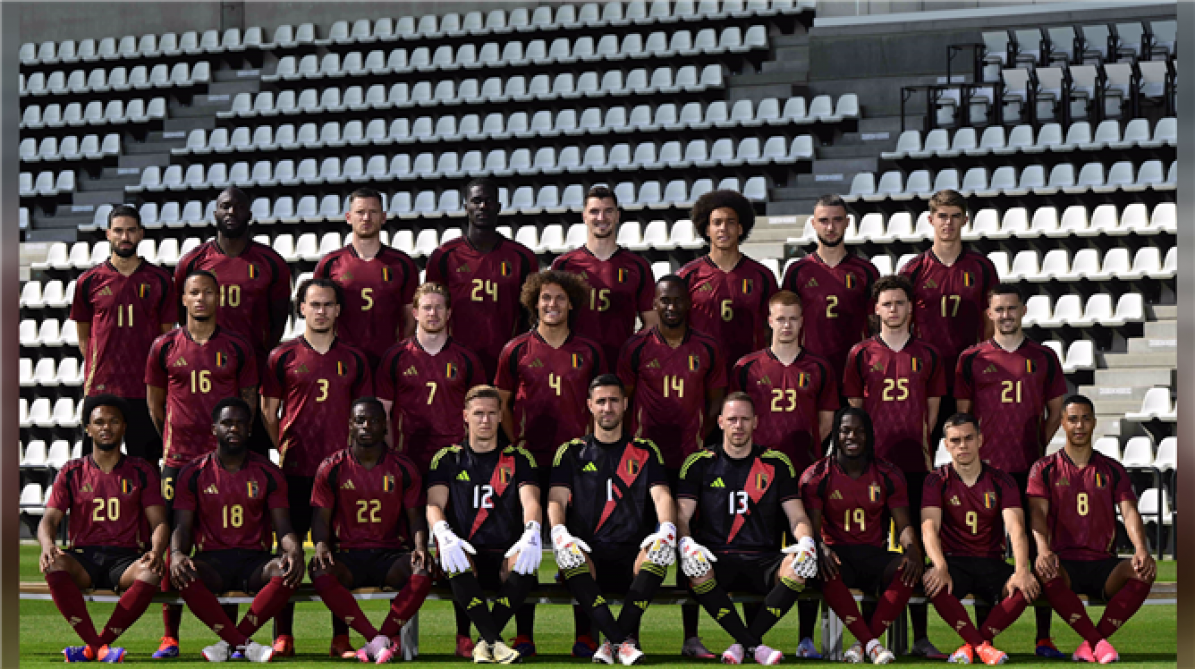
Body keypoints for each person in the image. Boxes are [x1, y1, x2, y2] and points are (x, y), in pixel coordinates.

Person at [145, 269, 257, 658]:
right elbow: (156, 406)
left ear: (218, 298)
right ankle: (169, 635)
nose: (201, 299)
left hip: (224, 463)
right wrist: (177, 438)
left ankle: (230, 636)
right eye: (194, 292)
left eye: (208, 292)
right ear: (185, 298)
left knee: (227, 544)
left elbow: (248, 403)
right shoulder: (163, 346)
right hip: (178, 461)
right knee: (174, 543)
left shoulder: (238, 347)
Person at [260, 277, 373, 657]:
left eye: (328, 304)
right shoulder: (282, 356)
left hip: (341, 473)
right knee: (288, 550)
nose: (321, 311)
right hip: (294, 470)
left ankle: (340, 634)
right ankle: (283, 634)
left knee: (333, 553)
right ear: (302, 308)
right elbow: (267, 411)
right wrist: (286, 447)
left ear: (338, 310)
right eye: (314, 304)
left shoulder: (355, 359)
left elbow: (364, 416)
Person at [495, 269, 605, 654]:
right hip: (531, 462)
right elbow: (503, 404)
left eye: (559, 298)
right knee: (524, 545)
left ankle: (586, 634)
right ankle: (523, 633)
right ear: (533, 302)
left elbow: (598, 406)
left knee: (580, 545)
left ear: (572, 302)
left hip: (578, 464)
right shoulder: (515, 350)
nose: (552, 305)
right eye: (545, 298)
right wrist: (516, 445)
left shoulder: (589, 350)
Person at [616, 273, 725, 659]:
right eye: (664, 301)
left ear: (689, 303)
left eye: (678, 300)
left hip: (691, 464)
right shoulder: (635, 347)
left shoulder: (708, 348)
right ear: (655, 303)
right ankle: (633, 634)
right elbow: (625, 403)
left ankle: (691, 636)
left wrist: (698, 438)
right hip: (646, 466)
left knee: (690, 546)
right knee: (647, 546)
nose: (672, 307)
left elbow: (715, 404)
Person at [955, 283, 1067, 657]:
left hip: (1030, 470)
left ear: (1023, 311)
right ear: (989, 314)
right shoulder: (971, 358)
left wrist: (1038, 444)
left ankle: (1043, 637)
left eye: (1012, 309)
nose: (1005, 315)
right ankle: (985, 638)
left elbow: (1056, 411)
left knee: (1038, 551)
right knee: (987, 555)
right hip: (986, 473)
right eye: (998, 309)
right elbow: (964, 415)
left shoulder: (1044, 356)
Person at [842, 273, 946, 657]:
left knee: (913, 550)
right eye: (887, 303)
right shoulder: (860, 354)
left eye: (900, 302)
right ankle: (867, 637)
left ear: (910, 307)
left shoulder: (929, 354)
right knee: (871, 551)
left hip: (914, 466)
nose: (893, 309)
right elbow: (854, 412)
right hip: (870, 470)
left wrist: (918, 444)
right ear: (876, 309)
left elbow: (932, 414)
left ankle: (919, 637)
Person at [731, 290, 839, 657]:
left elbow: (825, 423)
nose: (787, 325)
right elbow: (738, 418)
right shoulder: (746, 367)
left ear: (802, 321)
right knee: (756, 553)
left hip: (803, 478)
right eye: (781, 318)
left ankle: (806, 636)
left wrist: (802, 461)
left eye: (793, 318)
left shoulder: (819, 367)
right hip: (757, 478)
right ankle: (753, 636)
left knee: (805, 553)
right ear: (770, 321)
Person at [675, 392, 819, 666]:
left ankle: (744, 643)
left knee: (798, 568)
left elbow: (797, 516)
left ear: (755, 422)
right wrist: (687, 545)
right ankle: (755, 645)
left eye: (744, 419)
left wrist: (806, 543)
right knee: (696, 569)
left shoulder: (776, 463)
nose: (738, 426)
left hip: (763, 557)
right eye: (732, 419)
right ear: (719, 422)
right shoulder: (700, 463)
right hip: (717, 556)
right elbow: (681, 517)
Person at [548, 374, 676, 665]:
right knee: (573, 556)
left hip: (632, 550)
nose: (607, 407)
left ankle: (611, 641)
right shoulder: (571, 452)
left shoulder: (645, 451)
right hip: (587, 548)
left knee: (657, 556)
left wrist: (667, 528)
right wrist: (559, 532)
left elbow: (662, 496)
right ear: (590, 405)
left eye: (614, 401)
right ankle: (623, 640)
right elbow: (556, 498)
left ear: (625, 405)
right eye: (601, 401)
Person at [169, 398, 303, 663]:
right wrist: (175, 553)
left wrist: (295, 550)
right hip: (212, 561)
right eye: (227, 423)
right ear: (214, 429)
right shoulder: (193, 473)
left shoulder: (268, 472)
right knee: (181, 570)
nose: (234, 429)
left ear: (249, 429)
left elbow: (284, 527)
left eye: (240, 424)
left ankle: (232, 642)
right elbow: (182, 527)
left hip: (254, 562)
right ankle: (244, 644)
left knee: (287, 570)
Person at [40, 395, 169, 663]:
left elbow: (159, 522)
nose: (106, 427)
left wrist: (157, 551)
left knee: (151, 572)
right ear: (88, 428)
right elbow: (49, 520)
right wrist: (47, 545)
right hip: (83, 558)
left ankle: (94, 647)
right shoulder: (72, 471)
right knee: (53, 564)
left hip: (126, 559)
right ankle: (99, 647)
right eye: (99, 422)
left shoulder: (141, 470)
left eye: (113, 421)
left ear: (124, 427)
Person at [1028, 395, 1156, 664]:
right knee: (1044, 568)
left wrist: (1141, 549)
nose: (1079, 425)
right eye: (1073, 419)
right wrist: (1042, 549)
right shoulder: (1044, 468)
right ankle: (1099, 643)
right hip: (1063, 563)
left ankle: (1090, 642)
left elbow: (1129, 511)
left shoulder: (1112, 468)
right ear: (1062, 422)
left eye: (1086, 419)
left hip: (1103, 564)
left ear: (1094, 423)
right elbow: (1037, 514)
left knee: (1144, 570)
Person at [308, 398, 432, 664]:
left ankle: (382, 637)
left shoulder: (403, 467)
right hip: (349, 555)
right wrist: (320, 546)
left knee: (424, 566)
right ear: (350, 425)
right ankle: (371, 639)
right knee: (319, 568)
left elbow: (416, 519)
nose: (367, 425)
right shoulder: (331, 467)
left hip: (390, 555)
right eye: (360, 420)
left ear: (385, 427)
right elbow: (321, 518)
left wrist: (421, 546)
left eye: (374, 420)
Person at [425, 385, 542, 664]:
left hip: (506, 549)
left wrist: (532, 532)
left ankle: (485, 641)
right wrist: (443, 534)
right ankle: (493, 640)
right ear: (465, 416)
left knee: (524, 560)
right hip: (466, 549)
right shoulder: (448, 458)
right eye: (478, 414)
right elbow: (434, 504)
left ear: (501, 416)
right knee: (455, 558)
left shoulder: (518, 458)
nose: (485, 420)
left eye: (491, 413)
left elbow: (531, 502)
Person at [174, 186, 292, 457]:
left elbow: (279, 317)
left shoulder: (271, 262)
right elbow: (183, 316)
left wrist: (256, 352)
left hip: (254, 370)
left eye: (238, 207)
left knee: (254, 453)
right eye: (225, 206)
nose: (231, 212)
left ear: (249, 214)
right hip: (205, 368)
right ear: (215, 213)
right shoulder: (192, 262)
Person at [799, 407, 921, 665]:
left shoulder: (889, 474)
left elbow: (904, 525)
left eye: (859, 431)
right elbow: (811, 529)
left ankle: (863, 643)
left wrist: (912, 548)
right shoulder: (817, 475)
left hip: (873, 553)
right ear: (835, 434)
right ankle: (874, 645)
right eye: (845, 430)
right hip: (836, 554)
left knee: (908, 567)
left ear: (869, 436)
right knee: (824, 566)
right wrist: (821, 549)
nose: (851, 436)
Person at [922, 414, 1039, 666]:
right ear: (946, 445)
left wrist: (1021, 569)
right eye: (955, 440)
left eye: (968, 438)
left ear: (980, 440)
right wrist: (940, 565)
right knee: (934, 583)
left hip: (991, 561)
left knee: (1025, 588)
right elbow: (929, 527)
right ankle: (982, 646)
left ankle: (973, 644)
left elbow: (1016, 528)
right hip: (955, 562)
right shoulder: (936, 480)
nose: (962, 445)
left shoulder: (1002, 480)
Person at [71, 204, 177, 461]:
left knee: (147, 465)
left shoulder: (160, 279)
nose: (125, 237)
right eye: (118, 231)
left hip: (145, 388)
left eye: (131, 231)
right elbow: (85, 338)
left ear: (141, 234)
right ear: (108, 234)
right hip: (101, 386)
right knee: (95, 464)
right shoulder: (89, 281)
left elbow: (166, 339)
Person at [898, 189, 997, 447]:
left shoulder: (982, 267)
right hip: (926, 374)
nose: (948, 223)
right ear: (930, 220)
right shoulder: (913, 270)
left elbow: (990, 320)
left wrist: (983, 360)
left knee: (970, 446)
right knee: (922, 445)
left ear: (965, 220)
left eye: (955, 216)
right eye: (942, 216)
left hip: (967, 373)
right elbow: (901, 321)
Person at [426, 178, 539, 379]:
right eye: (476, 201)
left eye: (489, 201)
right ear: (466, 206)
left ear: (499, 207)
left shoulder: (522, 257)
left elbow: (530, 315)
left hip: (506, 360)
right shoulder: (444, 256)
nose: (483, 206)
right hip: (456, 361)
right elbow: (433, 310)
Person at [375, 282, 486, 471]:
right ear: (415, 313)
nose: (433, 314)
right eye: (427, 308)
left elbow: (481, 411)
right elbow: (383, 413)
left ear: (449, 313)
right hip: (408, 456)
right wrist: (391, 455)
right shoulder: (396, 357)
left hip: (455, 457)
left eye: (439, 307)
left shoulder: (467, 359)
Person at [314, 187, 419, 368]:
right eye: (360, 212)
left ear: (383, 217)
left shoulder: (402, 264)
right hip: (342, 361)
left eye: (373, 212)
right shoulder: (330, 263)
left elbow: (410, 317)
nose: (366, 218)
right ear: (348, 217)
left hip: (388, 361)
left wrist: (400, 354)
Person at [780, 194, 879, 388]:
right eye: (824, 221)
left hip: (854, 368)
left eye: (837, 220)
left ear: (848, 222)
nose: (831, 228)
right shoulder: (797, 271)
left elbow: (875, 324)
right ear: (813, 224)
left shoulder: (866, 271)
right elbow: (785, 322)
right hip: (809, 369)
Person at [551, 185, 657, 366]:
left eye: (608, 211)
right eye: (594, 211)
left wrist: (637, 358)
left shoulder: (638, 266)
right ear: (584, 216)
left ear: (617, 215)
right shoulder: (564, 265)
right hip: (574, 364)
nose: (601, 218)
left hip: (621, 363)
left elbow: (651, 324)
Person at [678, 189, 778, 378]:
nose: (723, 228)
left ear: (740, 228)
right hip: (700, 373)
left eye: (730, 222)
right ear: (707, 229)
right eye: (717, 223)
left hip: (750, 373)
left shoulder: (762, 276)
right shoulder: (687, 276)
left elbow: (771, 328)